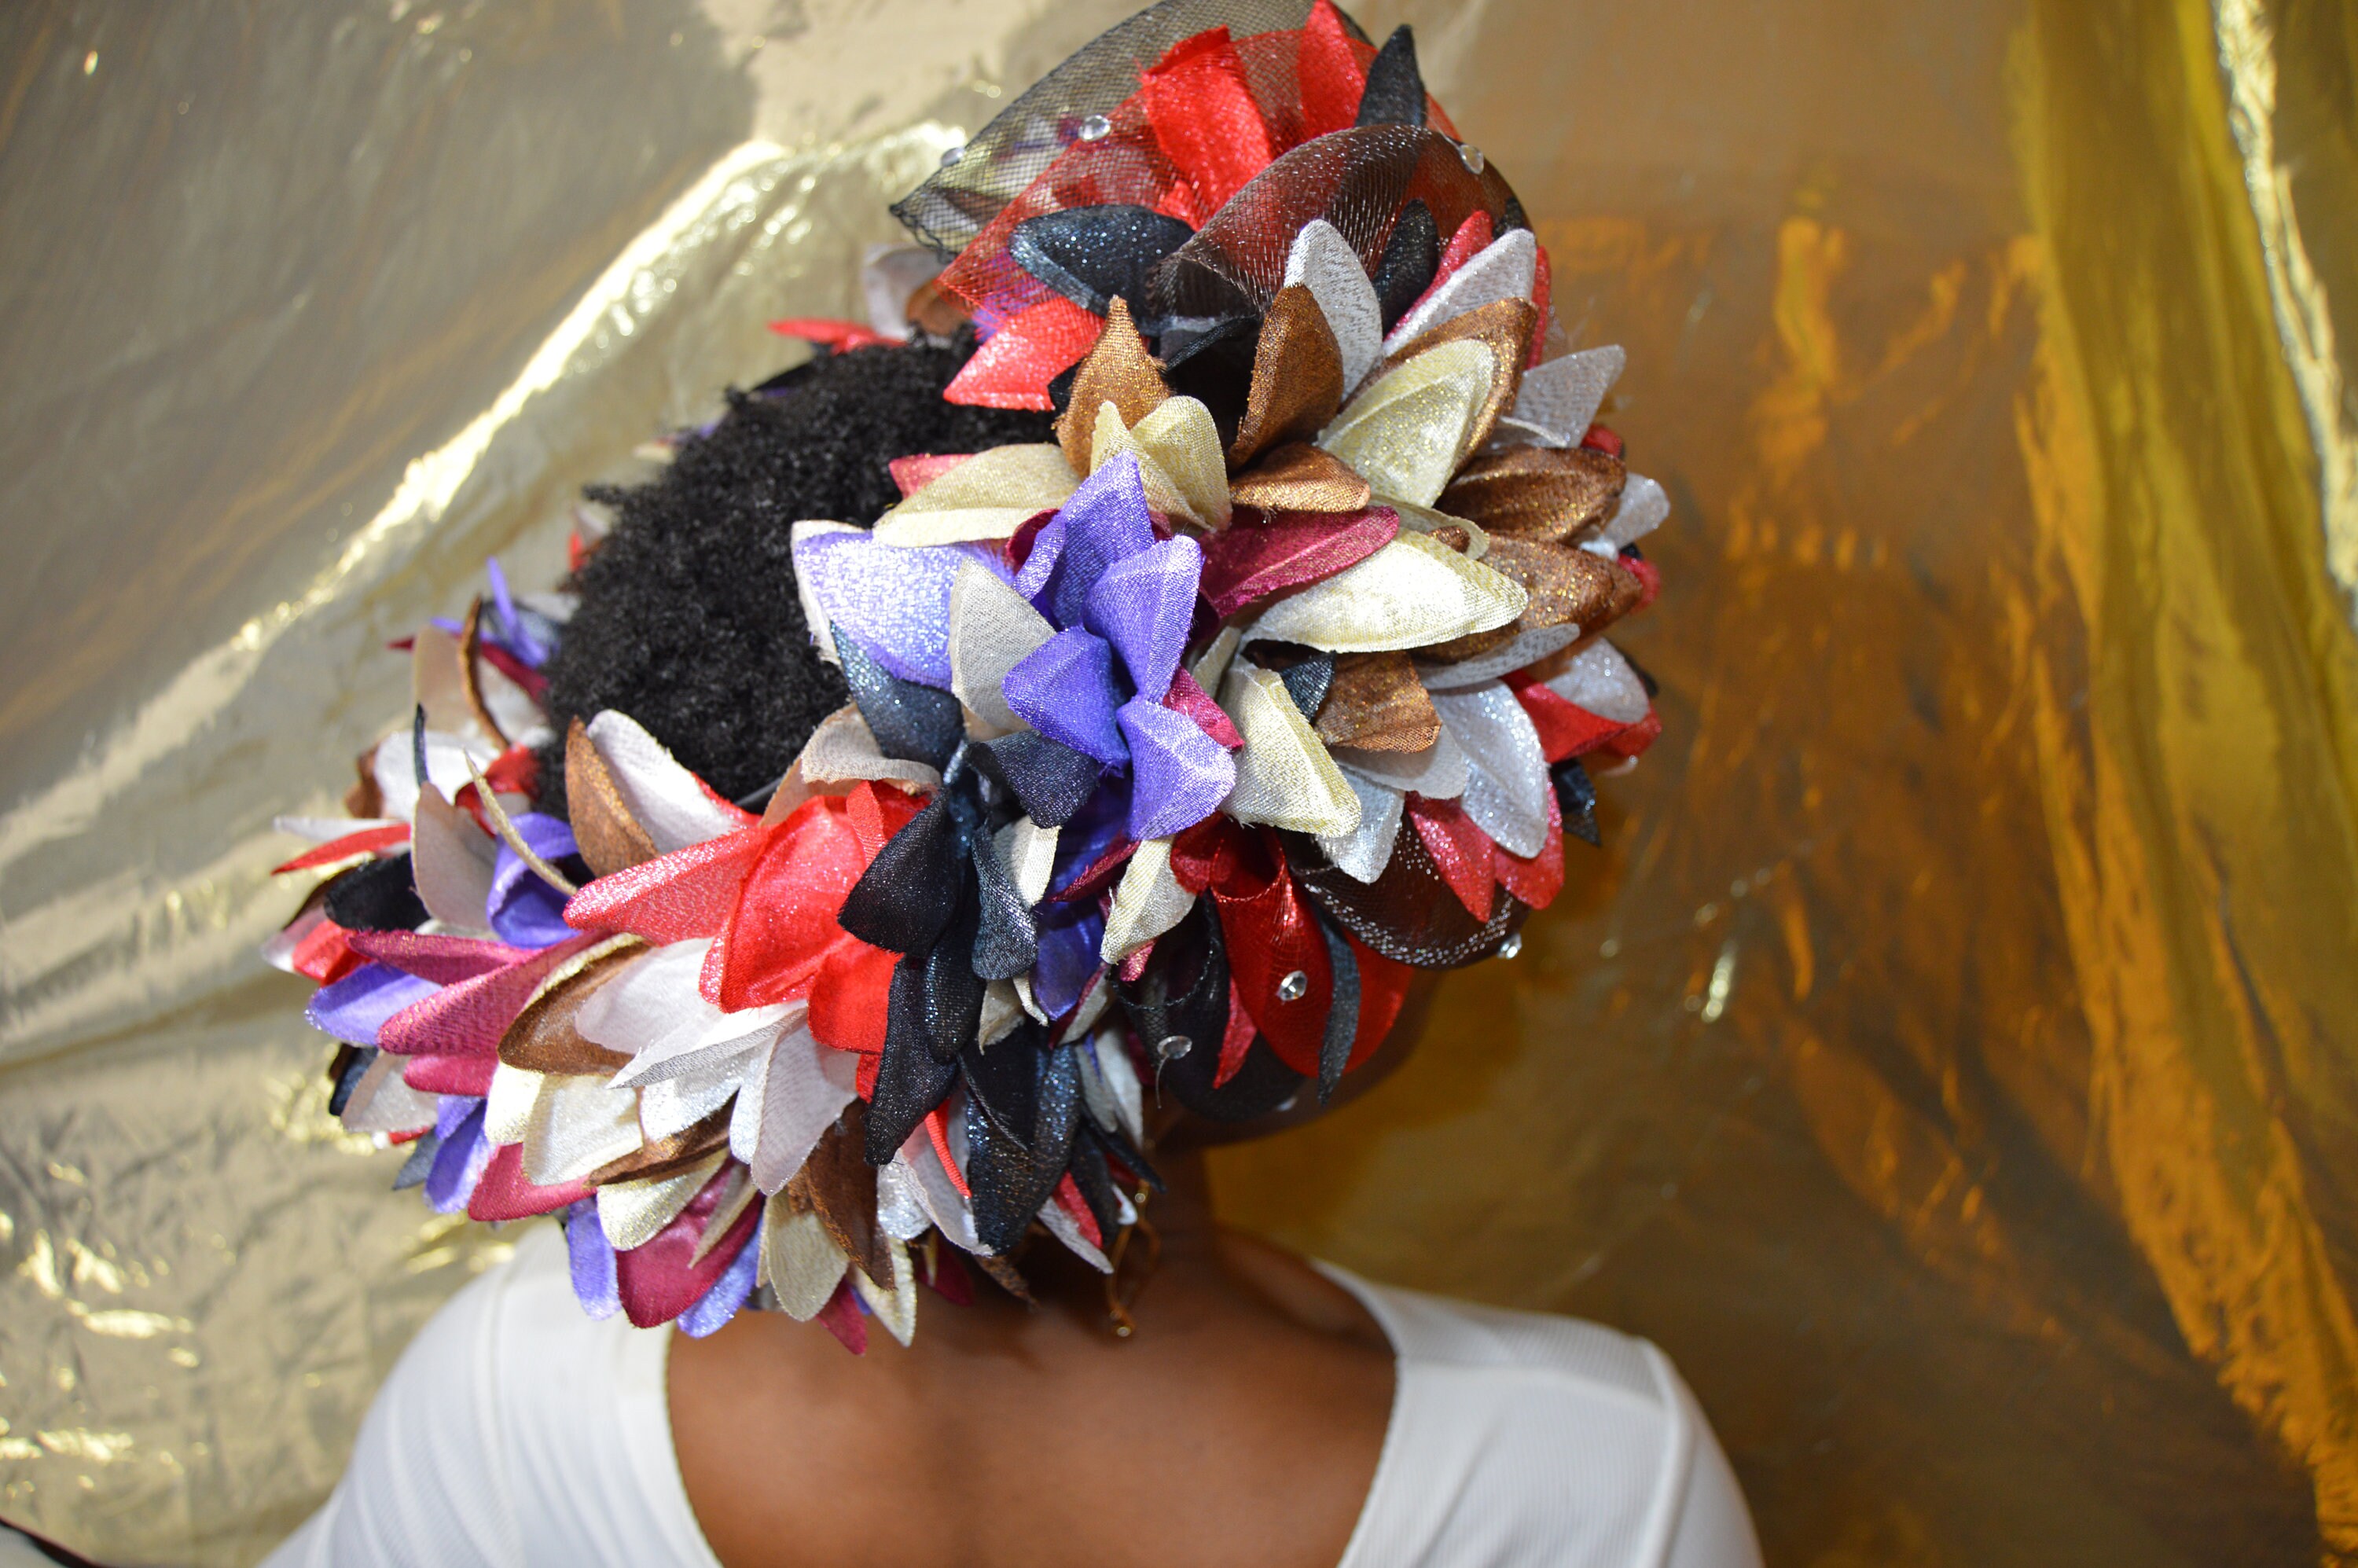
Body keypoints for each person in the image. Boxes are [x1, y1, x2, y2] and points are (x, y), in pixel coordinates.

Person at [263, 3, 1758, 1562]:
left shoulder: (512, 1406)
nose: (1502, 830)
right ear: (1230, 895)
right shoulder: (1587, 1485)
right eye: (1394, 719)